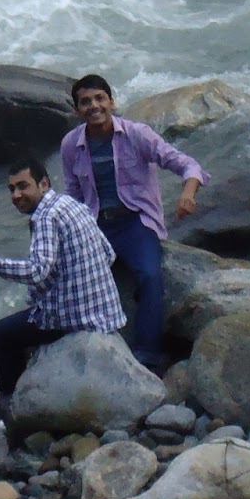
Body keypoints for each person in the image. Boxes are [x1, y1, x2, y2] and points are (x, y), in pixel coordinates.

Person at [0, 156, 126, 417]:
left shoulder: (45, 217)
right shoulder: (71, 204)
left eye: (23, 186)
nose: (16, 195)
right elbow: (108, 253)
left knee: (1, 334)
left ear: (43, 184)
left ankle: (13, 405)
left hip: (75, 319)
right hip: (107, 312)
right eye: (11, 189)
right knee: (29, 311)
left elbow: (36, 271)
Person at [59, 74, 207, 370]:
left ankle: (147, 356)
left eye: (100, 99)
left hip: (135, 222)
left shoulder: (137, 135)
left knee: (149, 276)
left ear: (112, 102)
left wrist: (188, 194)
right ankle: (83, 352)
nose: (94, 106)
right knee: (69, 279)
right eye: (85, 102)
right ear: (77, 111)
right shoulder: (70, 145)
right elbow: (74, 193)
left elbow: (187, 164)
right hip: (95, 226)